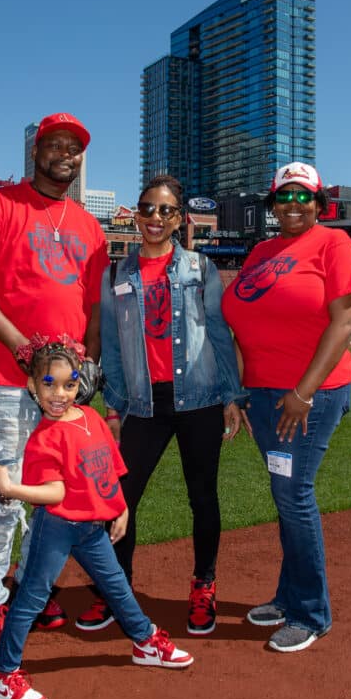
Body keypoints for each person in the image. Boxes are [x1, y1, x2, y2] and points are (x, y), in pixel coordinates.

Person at [0, 112, 109, 663]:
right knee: (4, 489)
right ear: (37, 151)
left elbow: (91, 308)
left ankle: (29, 588)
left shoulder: (90, 226)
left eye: (75, 146)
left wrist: (89, 362)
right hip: (4, 374)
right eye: (56, 144)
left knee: (53, 497)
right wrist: (22, 346)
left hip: (63, 386)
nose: (66, 152)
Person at [0, 334, 193, 699]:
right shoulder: (44, 439)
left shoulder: (91, 418)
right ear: (32, 385)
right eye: (48, 383)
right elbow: (55, 493)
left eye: (69, 383)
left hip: (92, 526)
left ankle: (145, 641)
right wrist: (10, 487)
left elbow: (110, 466)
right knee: (31, 597)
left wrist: (121, 507)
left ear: (81, 382)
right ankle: (3, 675)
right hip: (57, 527)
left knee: (117, 586)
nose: (59, 393)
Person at [88, 174, 246, 636]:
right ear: (136, 214)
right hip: (141, 402)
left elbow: (219, 333)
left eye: (165, 211)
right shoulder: (116, 274)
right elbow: (113, 349)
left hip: (199, 398)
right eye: (147, 208)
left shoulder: (200, 268)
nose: (154, 218)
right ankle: (117, 591)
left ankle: (204, 585)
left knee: (203, 498)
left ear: (179, 219)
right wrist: (113, 406)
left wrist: (232, 397)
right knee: (121, 499)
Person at [221, 161, 351, 653]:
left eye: (304, 196)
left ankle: (311, 613)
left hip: (307, 397)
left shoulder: (334, 244)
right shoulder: (261, 250)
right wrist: (239, 392)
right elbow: (241, 321)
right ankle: (289, 596)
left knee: (294, 495)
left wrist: (303, 393)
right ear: (272, 204)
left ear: (320, 205)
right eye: (285, 196)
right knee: (284, 495)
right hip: (262, 394)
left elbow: (345, 324)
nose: (294, 204)